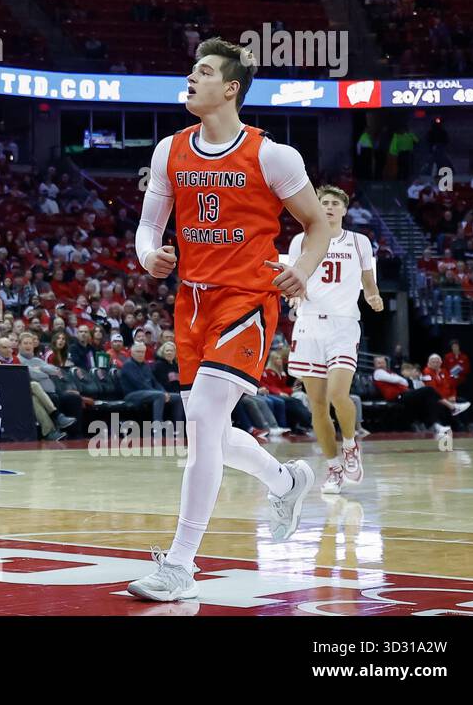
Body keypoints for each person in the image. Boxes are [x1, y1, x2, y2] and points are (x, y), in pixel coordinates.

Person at [127, 38, 333, 603]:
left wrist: (302, 269)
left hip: (247, 300)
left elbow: (317, 225)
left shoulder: (273, 156)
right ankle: (286, 480)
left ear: (231, 88)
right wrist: (150, 255)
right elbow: (149, 228)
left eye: (205, 71)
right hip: (190, 304)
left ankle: (179, 564)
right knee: (211, 432)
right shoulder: (169, 150)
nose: (192, 78)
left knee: (202, 417)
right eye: (192, 69)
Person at [285, 185, 382, 494]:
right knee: (316, 405)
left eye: (333, 203)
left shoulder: (359, 242)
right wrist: (293, 295)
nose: (327, 207)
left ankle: (351, 445)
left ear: (343, 209)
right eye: (323, 202)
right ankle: (333, 466)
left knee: (339, 394)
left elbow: (369, 283)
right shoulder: (301, 240)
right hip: (309, 326)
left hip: (343, 325)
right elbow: (295, 279)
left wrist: (374, 296)